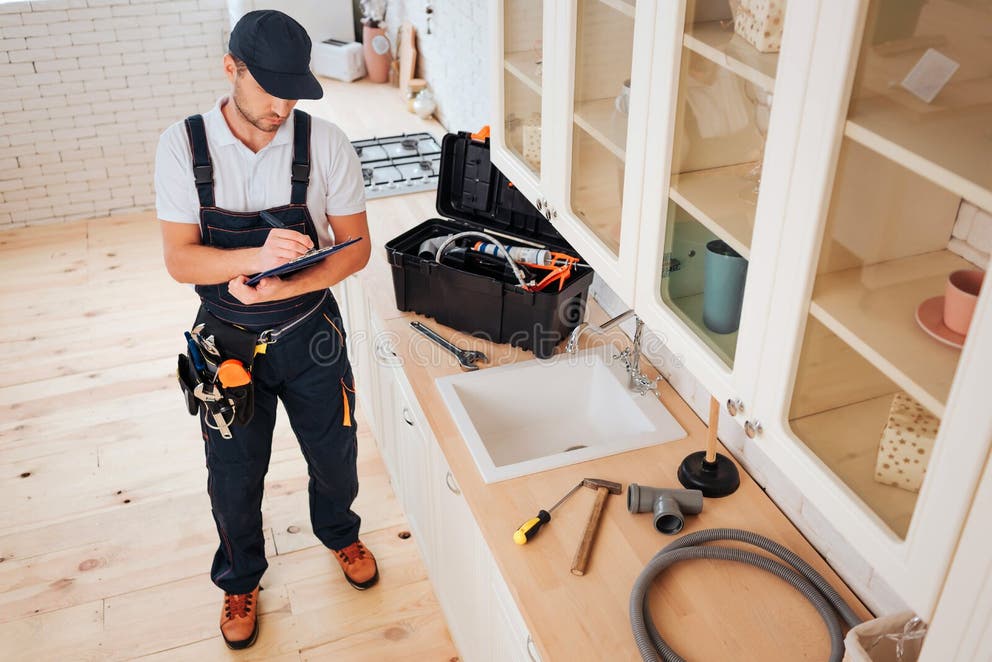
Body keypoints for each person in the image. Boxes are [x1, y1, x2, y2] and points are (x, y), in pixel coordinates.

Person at [154, 10, 376, 650]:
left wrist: (292, 282)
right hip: (224, 339)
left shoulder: (325, 142)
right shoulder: (184, 145)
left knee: (335, 452)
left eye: (293, 90)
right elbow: (181, 259)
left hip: (311, 331)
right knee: (232, 470)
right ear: (232, 69)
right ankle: (240, 577)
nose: (282, 105)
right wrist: (254, 258)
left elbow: (354, 249)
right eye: (269, 88)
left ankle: (339, 532)